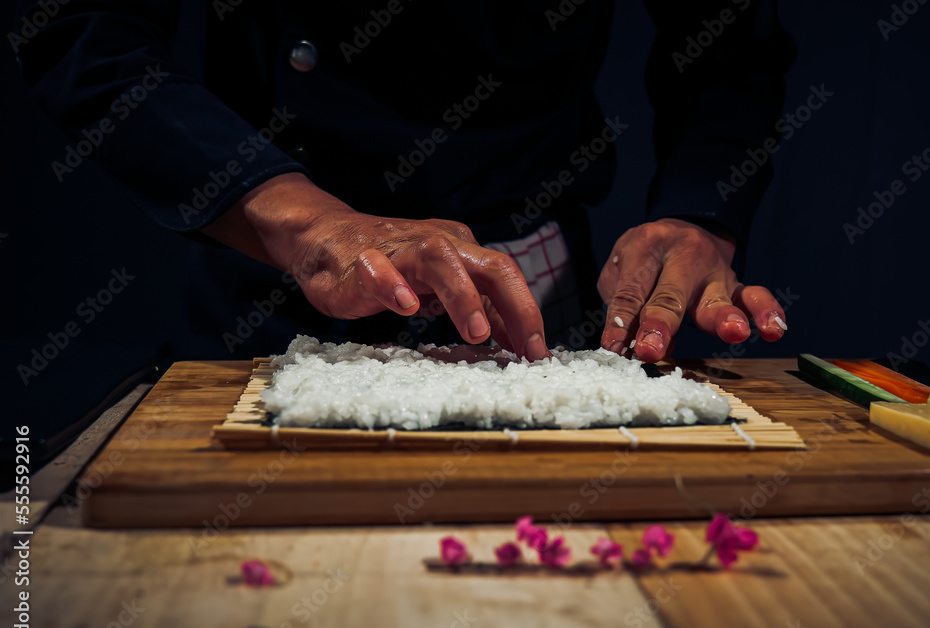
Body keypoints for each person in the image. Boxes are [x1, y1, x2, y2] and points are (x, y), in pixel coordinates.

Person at [14, 0, 793, 361]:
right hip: (272, 272)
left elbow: (731, 47)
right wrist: (314, 223)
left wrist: (701, 215)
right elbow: (83, 31)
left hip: (532, 281)